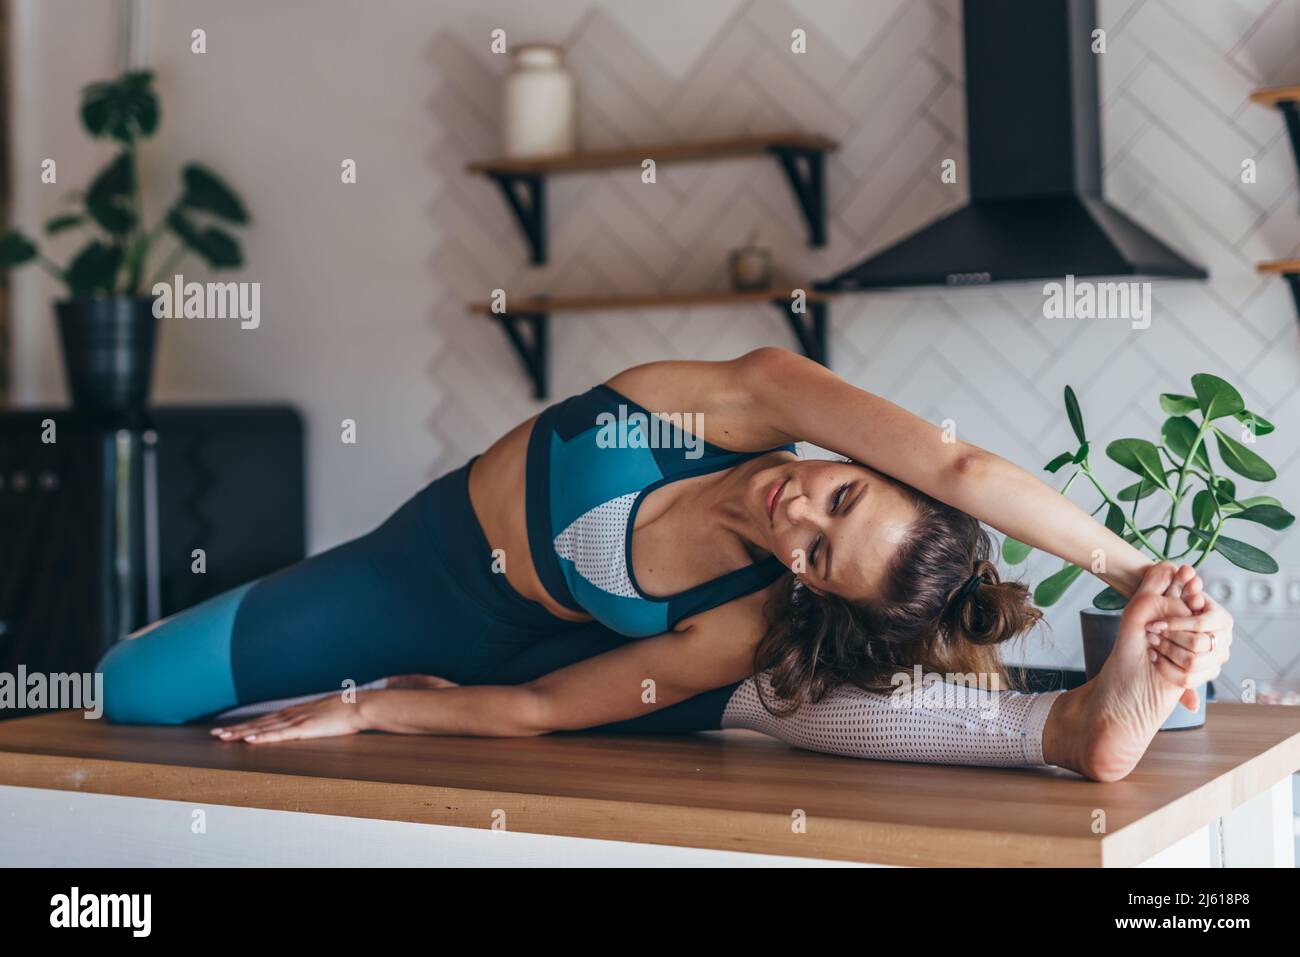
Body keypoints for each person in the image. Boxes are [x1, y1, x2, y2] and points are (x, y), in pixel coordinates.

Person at [98, 349, 1231, 782]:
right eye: (837, 497)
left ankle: (1089, 721)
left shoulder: (745, 613)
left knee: (775, 696)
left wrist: (378, 711)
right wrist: (1137, 570)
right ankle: (1101, 706)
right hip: (416, 572)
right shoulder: (735, 401)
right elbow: (962, 462)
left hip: (554, 664)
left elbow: (541, 708)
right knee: (131, 689)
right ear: (860, 463)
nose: (797, 520)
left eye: (816, 558)